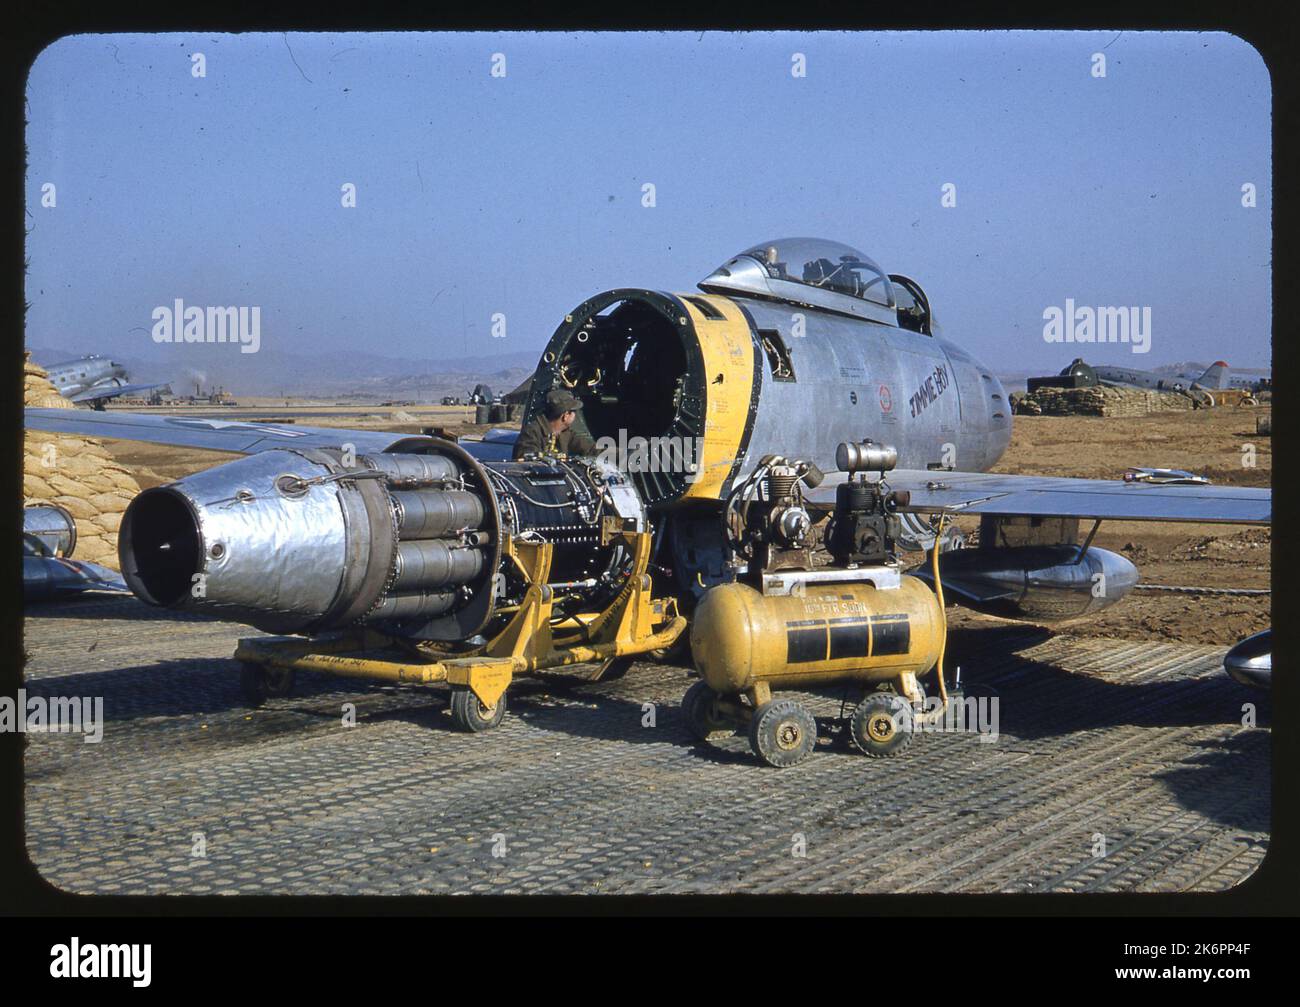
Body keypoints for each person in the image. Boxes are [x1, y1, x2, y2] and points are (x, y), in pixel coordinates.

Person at [512, 388, 597, 459]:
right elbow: (527, 457)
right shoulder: (531, 432)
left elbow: (589, 449)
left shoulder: (566, 433)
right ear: (565, 415)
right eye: (573, 411)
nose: (575, 415)